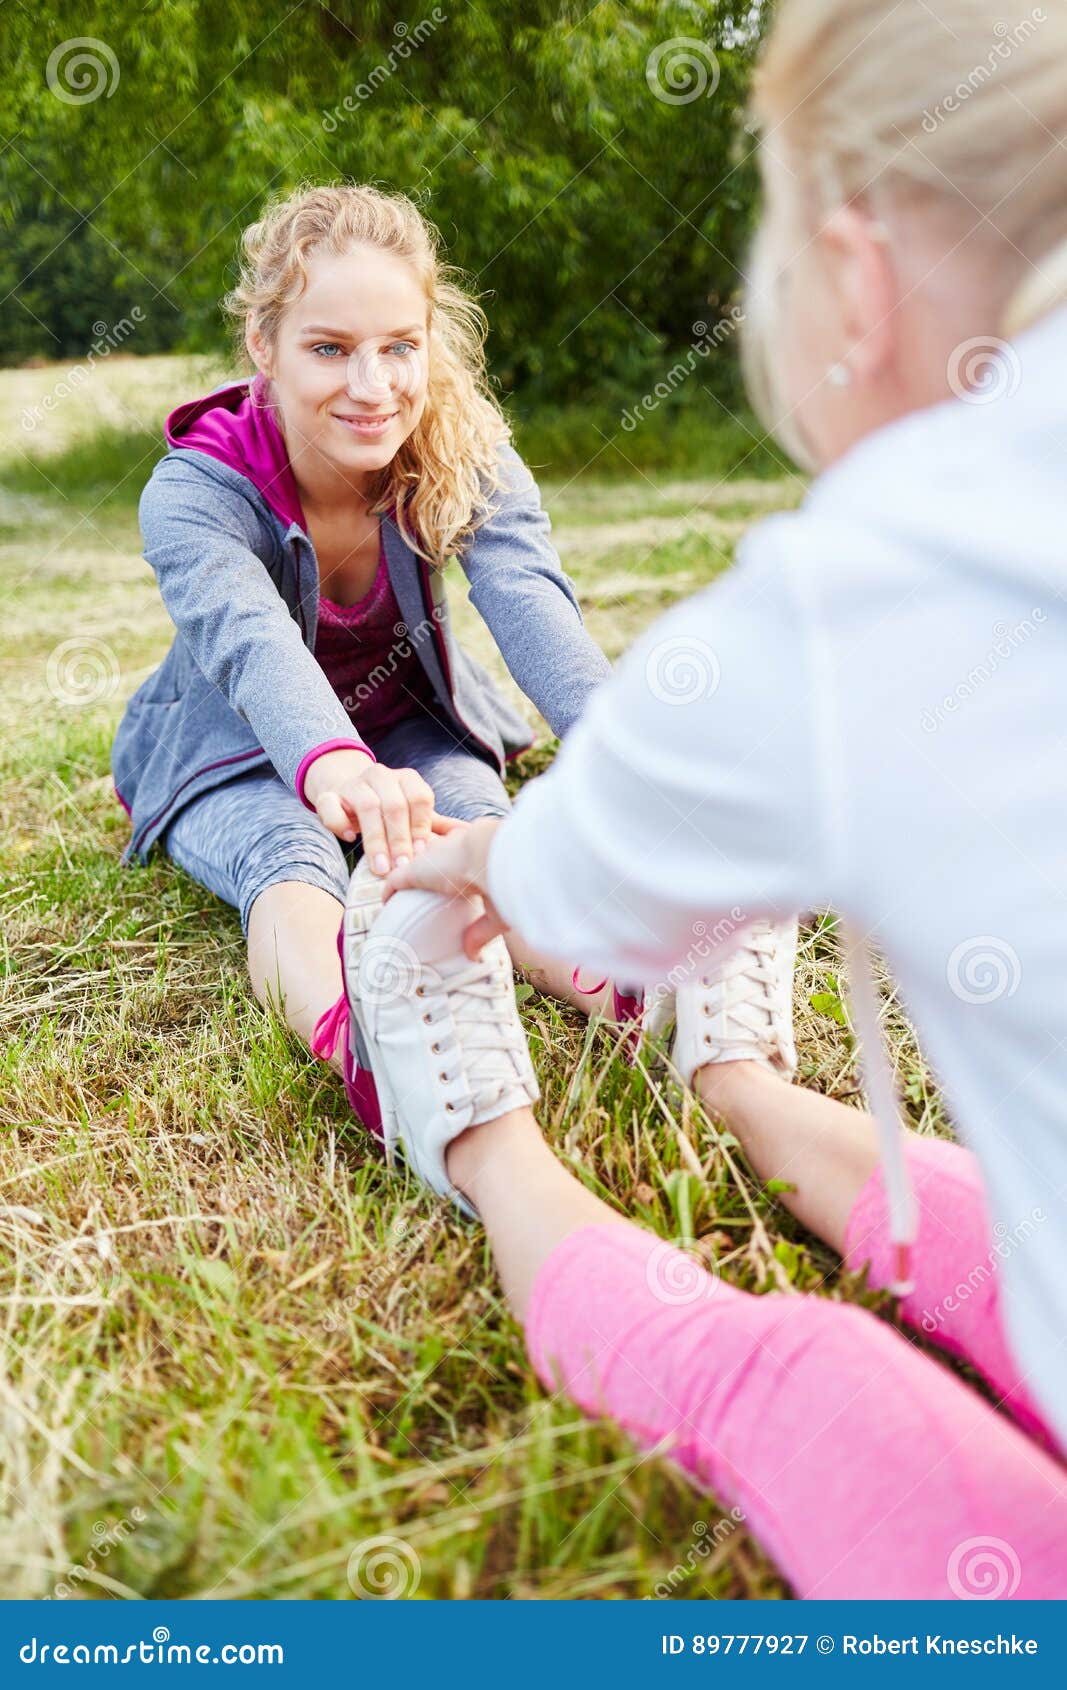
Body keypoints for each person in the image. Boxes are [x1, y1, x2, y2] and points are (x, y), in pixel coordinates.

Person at [356, 0, 1067, 1598]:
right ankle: (743, 1084)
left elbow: (583, 881)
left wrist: (483, 854)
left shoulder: (872, 581)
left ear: (855, 278)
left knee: (794, 1382)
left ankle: (495, 1147)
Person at [111, 183, 642, 1136]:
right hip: (234, 743)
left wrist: (638, 761)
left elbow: (529, 604)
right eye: (329, 349)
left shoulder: (462, 450)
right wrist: (336, 763)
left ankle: (636, 993)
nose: (372, 386)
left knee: (477, 821)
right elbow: (249, 642)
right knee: (292, 856)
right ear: (262, 349)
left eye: (400, 345)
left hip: (404, 718)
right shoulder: (195, 489)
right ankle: (362, 1052)